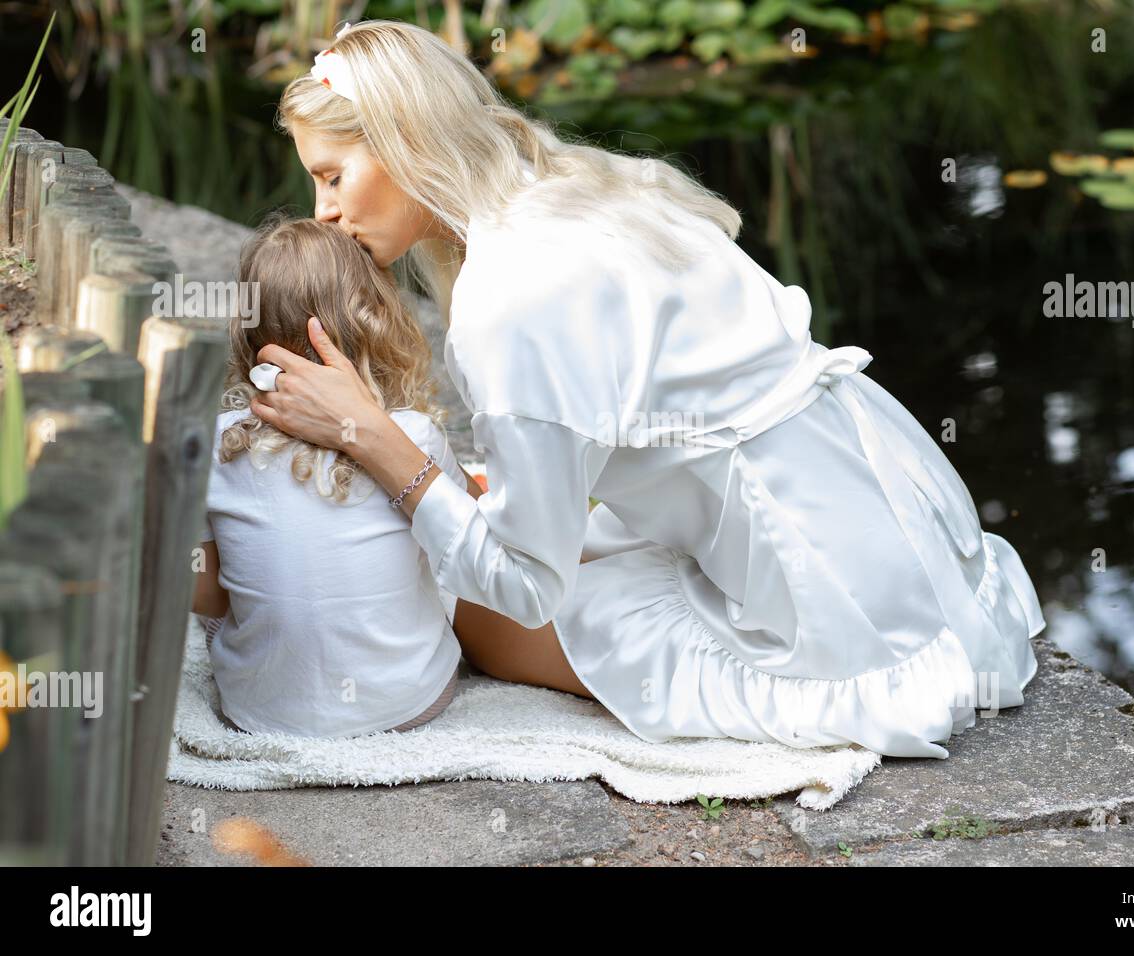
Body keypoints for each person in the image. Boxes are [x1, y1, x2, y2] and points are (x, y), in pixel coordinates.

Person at [250, 19, 1046, 758]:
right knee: (534, 536)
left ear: (405, 139)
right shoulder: (575, 188)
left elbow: (525, 588)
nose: (325, 212)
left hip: (830, 595)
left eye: (333, 176)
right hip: (902, 516)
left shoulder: (507, 300)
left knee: (476, 614)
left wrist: (373, 437)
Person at [191, 214, 479, 737]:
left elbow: (206, 595)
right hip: (409, 704)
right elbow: (468, 540)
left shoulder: (215, 445)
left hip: (258, 714)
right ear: (377, 319)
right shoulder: (411, 437)